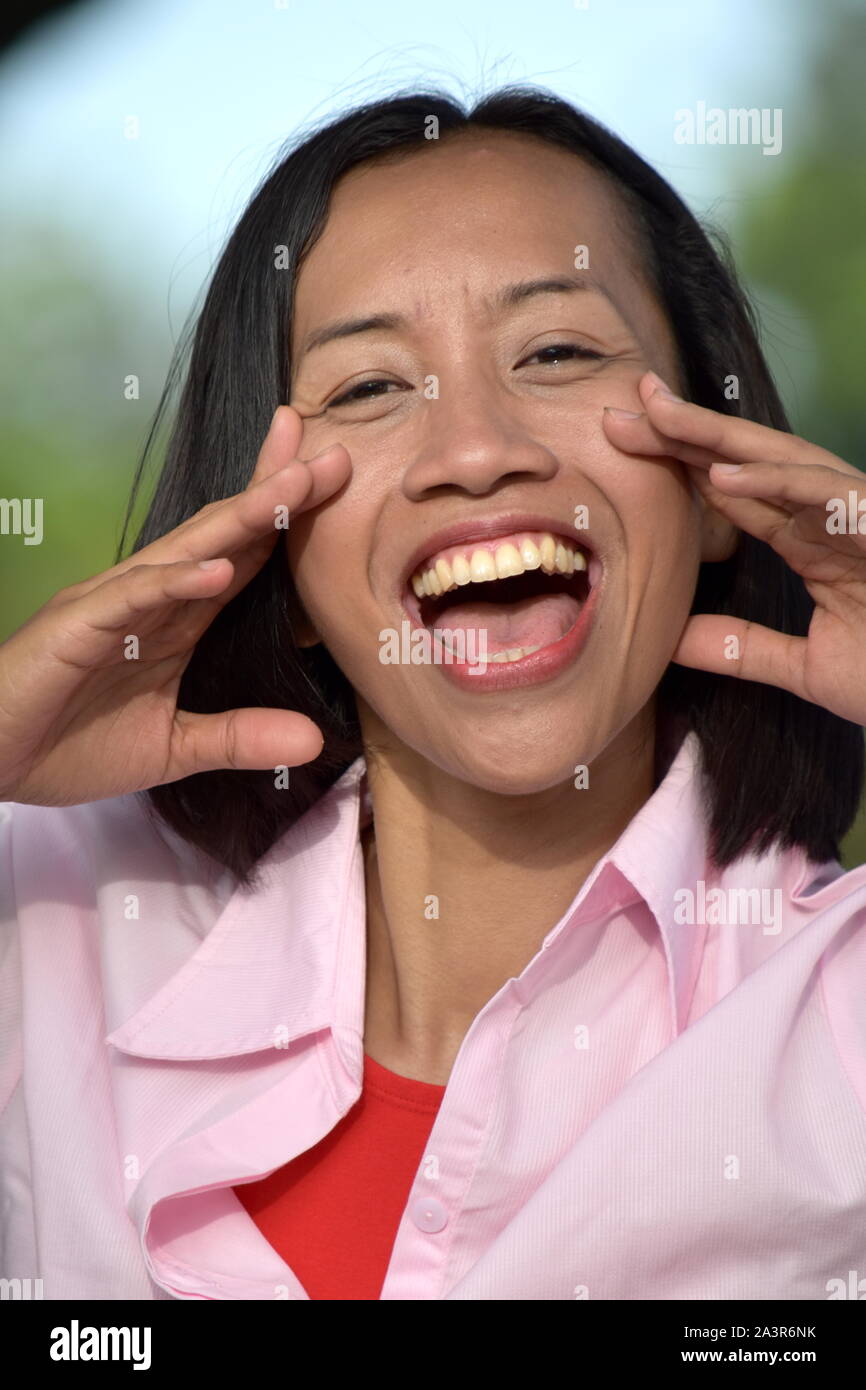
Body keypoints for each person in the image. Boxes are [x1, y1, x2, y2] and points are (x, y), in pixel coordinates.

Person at [2, 88, 866, 1302]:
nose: (475, 447)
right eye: (366, 387)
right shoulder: (53, 924)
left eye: (556, 351)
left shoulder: (835, 1006)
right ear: (282, 560)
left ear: (715, 487)